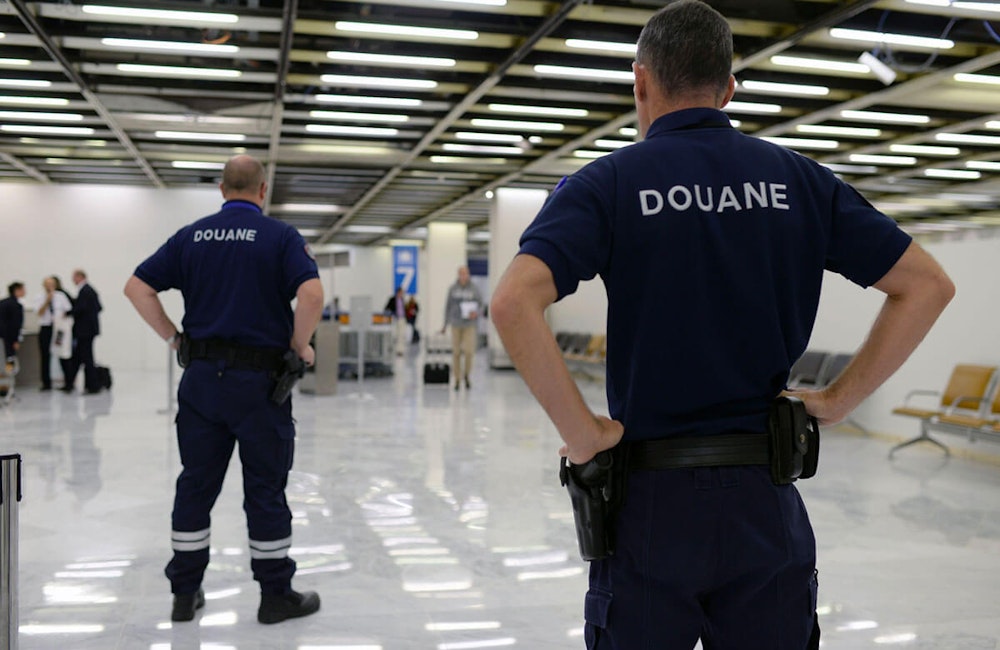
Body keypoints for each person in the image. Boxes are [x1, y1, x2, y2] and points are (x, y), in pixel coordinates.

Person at [490, 2, 955, 648]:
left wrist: (585, 434)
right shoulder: (800, 182)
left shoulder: (610, 184)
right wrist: (838, 402)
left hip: (650, 508)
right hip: (766, 503)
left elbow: (513, 303)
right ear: (729, 88)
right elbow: (927, 285)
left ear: (641, 83)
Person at [124, 154, 325, 625]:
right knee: (265, 490)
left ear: (221, 189)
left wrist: (174, 338)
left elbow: (137, 287)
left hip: (201, 383)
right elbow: (312, 294)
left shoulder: (190, 236)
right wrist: (301, 346)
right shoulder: (280, 237)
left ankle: (184, 594)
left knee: (195, 485)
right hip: (261, 386)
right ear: (262, 190)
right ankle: (275, 596)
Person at [441, 266, 482, 391]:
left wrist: (476, 312)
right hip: (456, 323)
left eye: (466, 273)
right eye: (461, 274)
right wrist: (445, 324)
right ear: (458, 275)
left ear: (468, 274)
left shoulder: (474, 289)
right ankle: (457, 379)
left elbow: (480, 304)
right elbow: (447, 306)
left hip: (469, 324)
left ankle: (467, 375)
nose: (464, 276)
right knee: (456, 352)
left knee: (469, 352)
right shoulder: (453, 289)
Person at [63, 269, 102, 394]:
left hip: (84, 331)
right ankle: (70, 383)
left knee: (86, 358)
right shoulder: (89, 290)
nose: (73, 280)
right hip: (87, 330)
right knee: (79, 357)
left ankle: (92, 386)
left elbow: (81, 308)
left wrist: (69, 313)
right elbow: (99, 307)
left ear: (80, 277)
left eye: (74, 277)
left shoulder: (85, 291)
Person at [36, 276, 74, 391]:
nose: (49, 286)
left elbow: (69, 310)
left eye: (51, 284)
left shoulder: (61, 296)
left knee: (62, 353)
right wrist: (47, 300)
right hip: (46, 328)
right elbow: (39, 312)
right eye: (47, 284)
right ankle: (46, 383)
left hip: (58, 329)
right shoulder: (39, 297)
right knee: (45, 356)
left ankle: (68, 382)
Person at [0, 282, 25, 360]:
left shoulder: (2, 302)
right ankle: (8, 371)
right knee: (10, 358)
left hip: (2, 336)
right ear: (17, 290)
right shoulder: (16, 305)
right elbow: (15, 324)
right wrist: (15, 340)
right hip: (9, 337)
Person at [384, 285, 407, 356]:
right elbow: (386, 308)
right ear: (398, 292)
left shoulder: (402, 300)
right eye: (401, 292)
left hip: (402, 319)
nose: (401, 294)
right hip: (395, 319)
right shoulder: (392, 299)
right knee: (394, 335)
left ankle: (400, 350)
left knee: (401, 335)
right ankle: (390, 349)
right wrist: (391, 313)